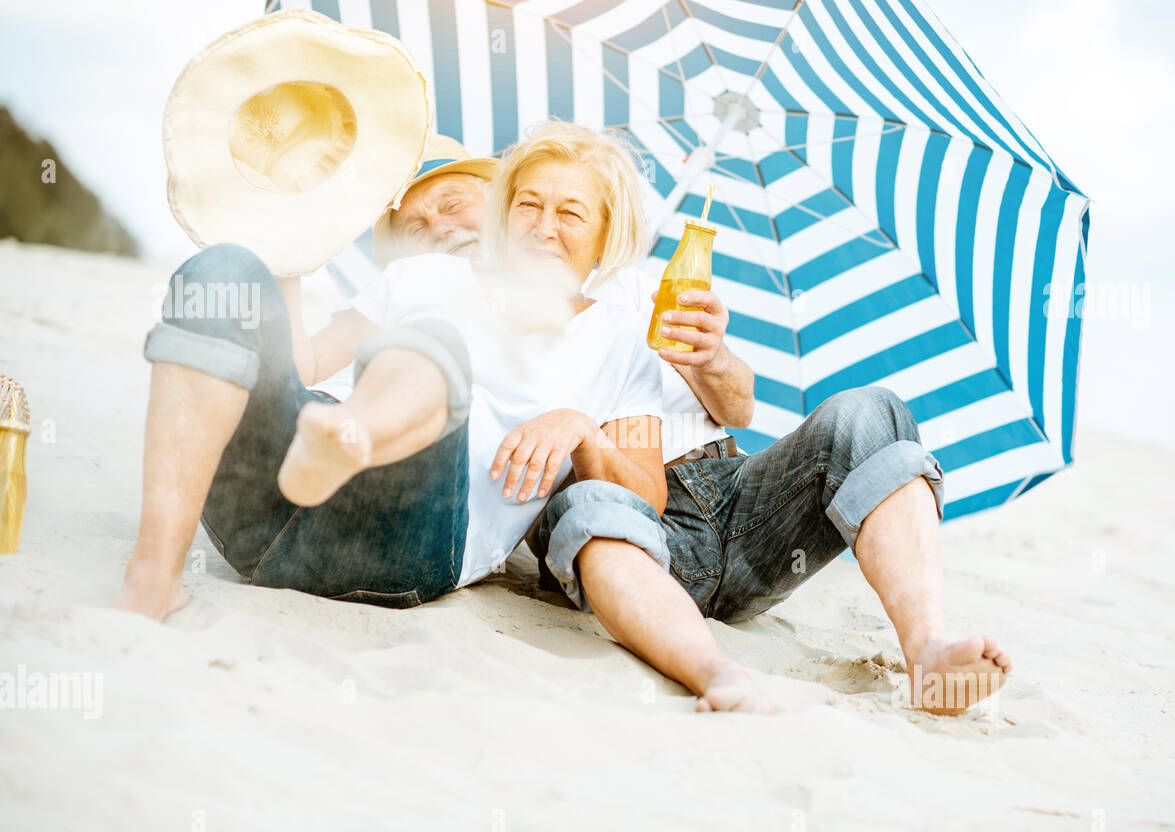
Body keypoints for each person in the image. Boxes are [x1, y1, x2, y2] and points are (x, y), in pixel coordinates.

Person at [118, 120, 779, 714]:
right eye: (528, 204)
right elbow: (301, 360)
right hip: (266, 512)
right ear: (502, 214)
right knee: (222, 270)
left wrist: (579, 429)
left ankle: (355, 437)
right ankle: (157, 574)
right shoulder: (420, 278)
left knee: (437, 341)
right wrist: (293, 238)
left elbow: (646, 492)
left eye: (572, 212)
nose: (545, 225)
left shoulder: (619, 336)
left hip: (408, 537)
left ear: (606, 238)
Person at [376, 140, 1012, 715]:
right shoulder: (439, 316)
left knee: (868, 411)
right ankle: (712, 669)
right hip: (622, 524)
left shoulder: (639, 283)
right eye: (414, 226)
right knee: (594, 501)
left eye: (450, 205)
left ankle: (927, 650)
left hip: (737, 495)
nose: (436, 228)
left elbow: (741, 410)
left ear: (492, 201)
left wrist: (713, 360)